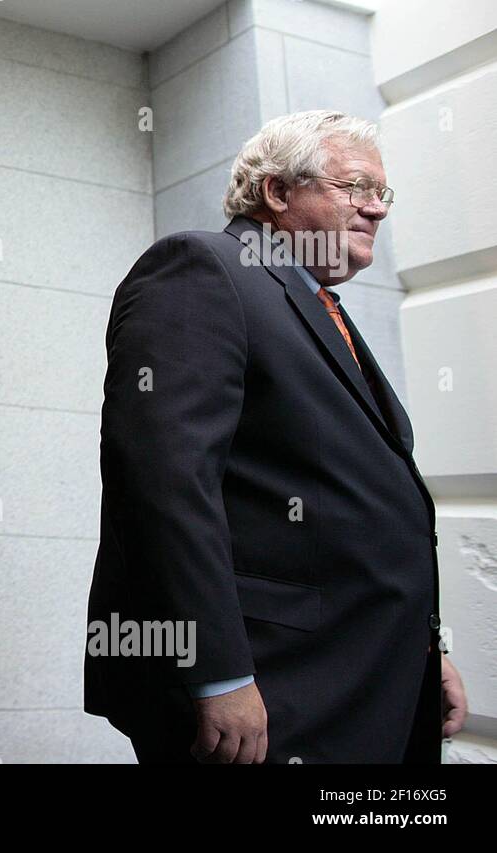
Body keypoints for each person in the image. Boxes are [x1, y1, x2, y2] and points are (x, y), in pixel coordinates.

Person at [86, 110, 467, 764]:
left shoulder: (325, 309)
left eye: (384, 194)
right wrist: (217, 670)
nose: (376, 209)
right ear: (278, 191)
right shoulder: (201, 268)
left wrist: (428, 652)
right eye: (355, 187)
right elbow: (163, 483)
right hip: (272, 696)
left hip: (373, 685)